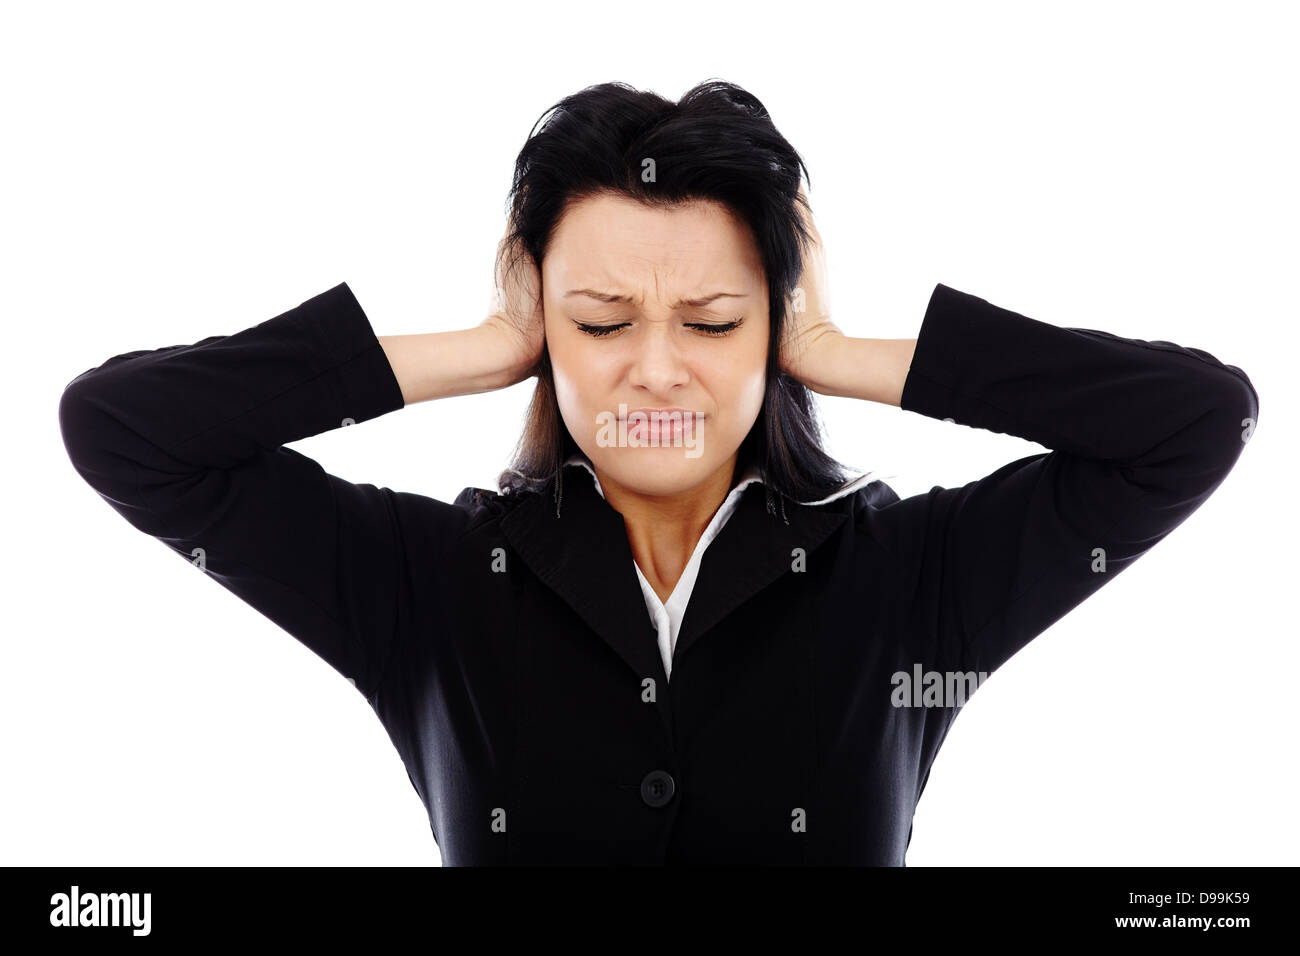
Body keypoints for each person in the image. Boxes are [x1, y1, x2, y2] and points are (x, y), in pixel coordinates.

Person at [57, 80, 1259, 865]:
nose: (653, 371)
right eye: (596, 320)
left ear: (773, 326)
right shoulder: (428, 583)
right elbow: (124, 427)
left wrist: (846, 353)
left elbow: (1193, 420)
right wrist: (478, 348)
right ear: (540, 319)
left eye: (714, 319)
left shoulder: (905, 578)